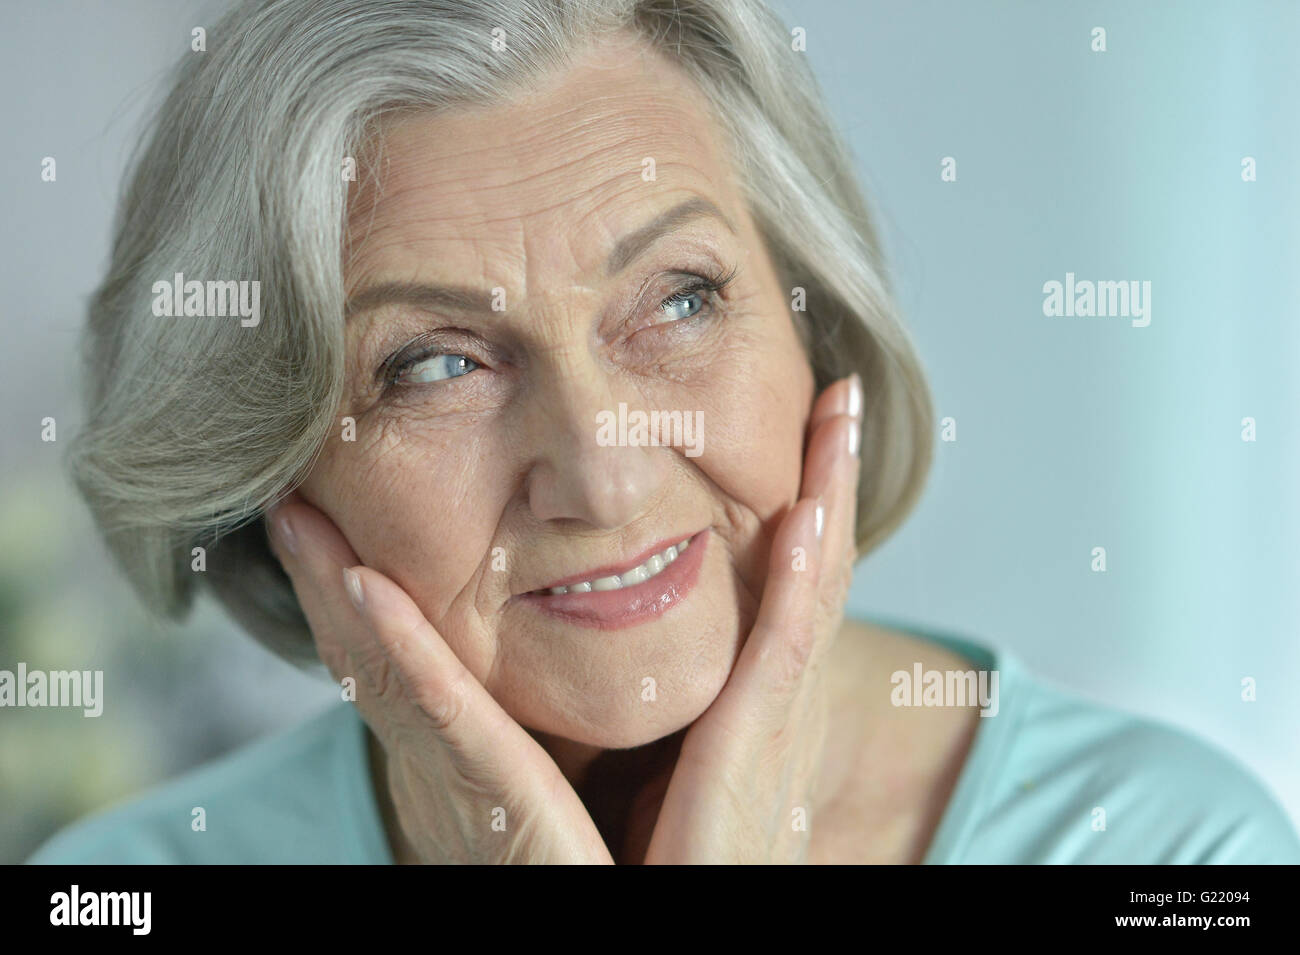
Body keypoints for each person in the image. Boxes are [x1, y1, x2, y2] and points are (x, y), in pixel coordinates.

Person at [27, 0, 1300, 864]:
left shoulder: (1169, 849)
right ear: (273, 472)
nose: (603, 467)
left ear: (818, 325)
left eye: (680, 299)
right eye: (433, 365)